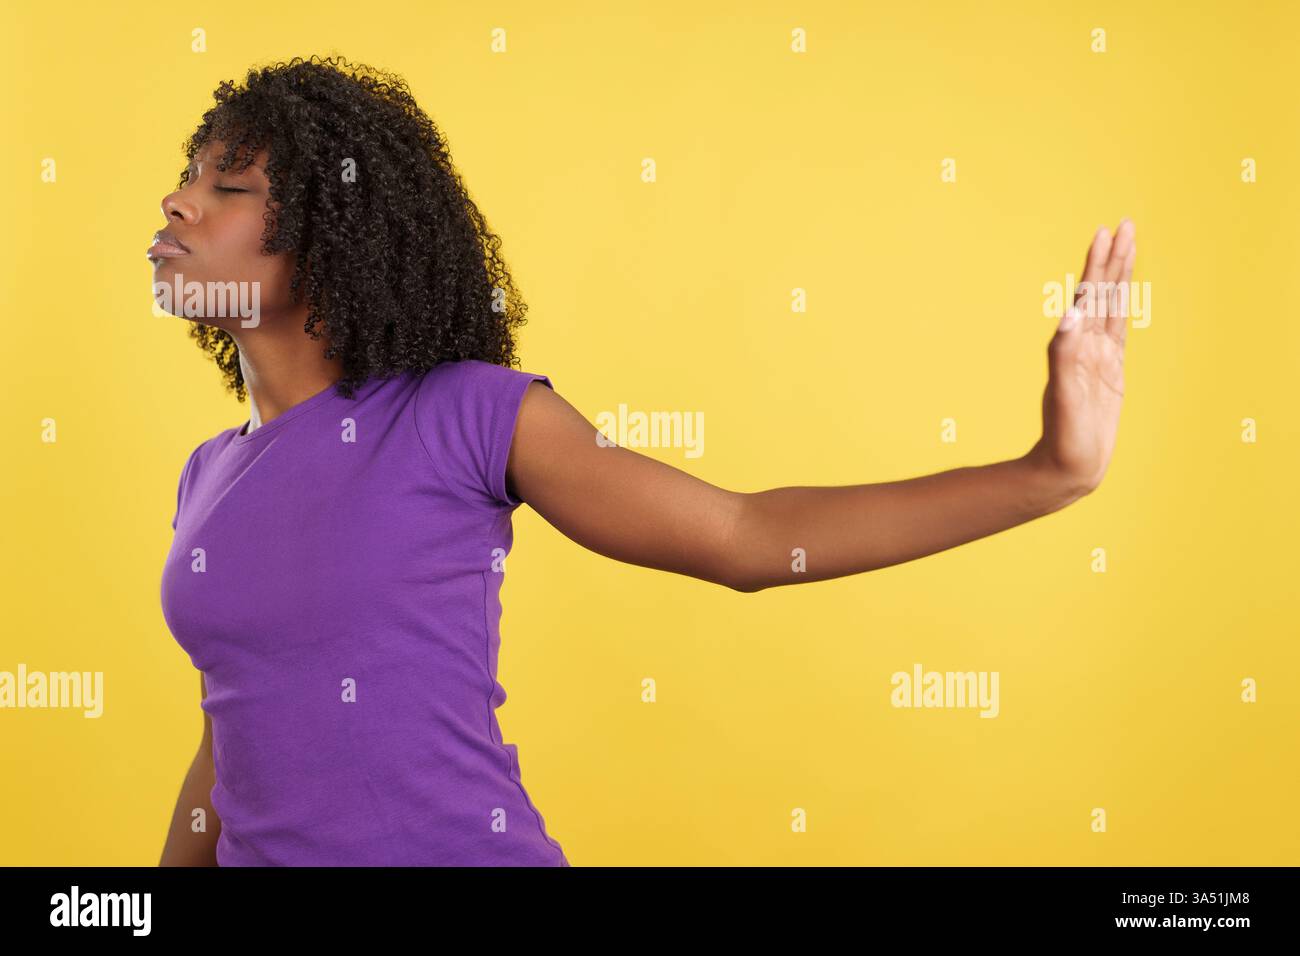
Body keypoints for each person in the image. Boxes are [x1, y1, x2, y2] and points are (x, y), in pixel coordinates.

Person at [156, 55, 1135, 867]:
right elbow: (233, 733)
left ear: (332, 234)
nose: (179, 202)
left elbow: (751, 535)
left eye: (226, 186)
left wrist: (1046, 471)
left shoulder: (466, 414)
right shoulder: (208, 476)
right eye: (189, 177)